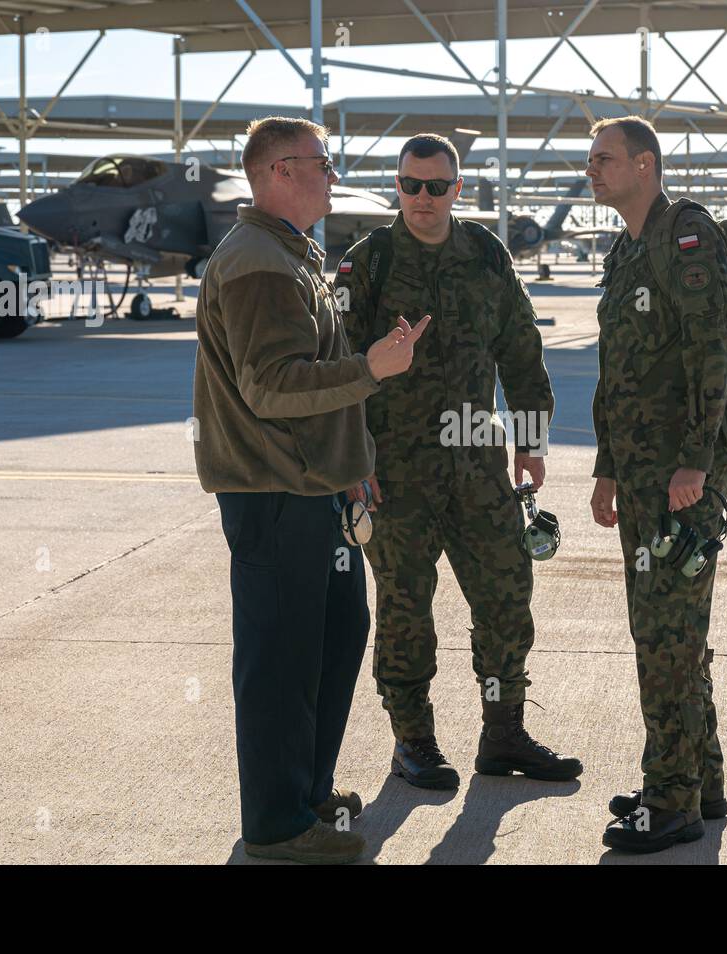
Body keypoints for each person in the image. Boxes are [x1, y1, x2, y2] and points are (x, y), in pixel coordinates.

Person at [193, 115, 429, 864]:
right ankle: (275, 830)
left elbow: (306, 378)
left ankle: (304, 797)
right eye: (322, 165)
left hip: (313, 489)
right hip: (273, 496)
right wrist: (373, 368)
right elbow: (272, 386)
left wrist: (351, 459)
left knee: (331, 642)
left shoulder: (289, 252)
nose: (332, 176)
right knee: (280, 662)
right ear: (280, 173)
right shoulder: (261, 262)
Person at [334, 133, 582, 791]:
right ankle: (413, 742)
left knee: (507, 599)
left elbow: (522, 353)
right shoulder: (370, 263)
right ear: (397, 186)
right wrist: (354, 462)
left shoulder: (486, 256)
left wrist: (530, 442)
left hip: (479, 469)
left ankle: (504, 735)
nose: (423, 197)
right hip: (395, 479)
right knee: (406, 610)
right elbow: (335, 372)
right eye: (411, 185)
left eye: (437, 186)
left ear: (458, 189)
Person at [585, 116, 727, 854]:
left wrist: (695, 462)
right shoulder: (625, 251)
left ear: (645, 165)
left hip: (682, 479)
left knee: (666, 636)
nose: (593, 169)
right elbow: (613, 369)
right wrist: (607, 468)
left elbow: (714, 351)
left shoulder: (687, 236)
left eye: (605, 158)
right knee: (672, 633)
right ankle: (697, 782)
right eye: (591, 159)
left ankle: (669, 801)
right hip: (642, 476)